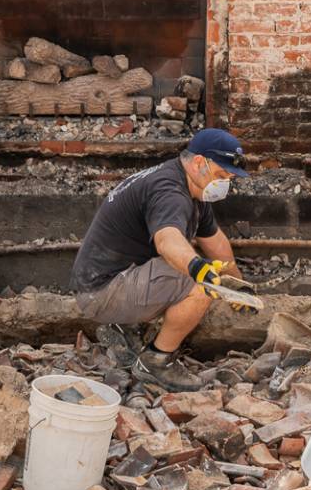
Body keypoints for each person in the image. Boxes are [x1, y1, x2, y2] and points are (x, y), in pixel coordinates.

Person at [70, 127, 248, 390]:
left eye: (230, 178)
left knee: (203, 272)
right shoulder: (170, 193)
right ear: (199, 163)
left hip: (106, 279)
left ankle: (122, 327)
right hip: (101, 292)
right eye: (222, 175)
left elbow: (216, 242)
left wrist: (239, 286)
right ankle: (156, 361)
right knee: (202, 287)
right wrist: (197, 269)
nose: (225, 184)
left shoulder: (191, 188)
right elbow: (167, 240)